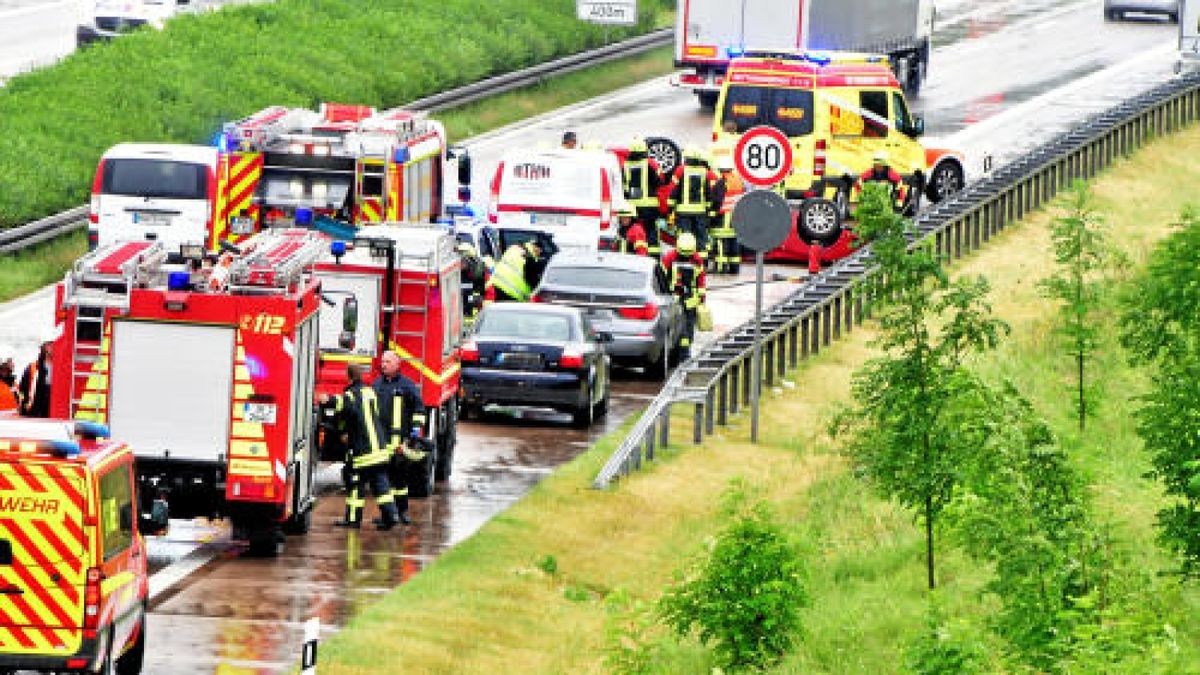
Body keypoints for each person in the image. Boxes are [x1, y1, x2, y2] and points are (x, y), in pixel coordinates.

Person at [319, 364, 401, 530]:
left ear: (348, 377)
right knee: (381, 485)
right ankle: (391, 515)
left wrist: (327, 399)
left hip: (363, 451)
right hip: (379, 447)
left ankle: (353, 520)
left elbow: (341, 404)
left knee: (355, 484)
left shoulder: (351, 394)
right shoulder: (370, 392)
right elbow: (366, 415)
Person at [373, 350, 424, 526]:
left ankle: (402, 512)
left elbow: (419, 410)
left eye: (387, 362)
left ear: (397, 364)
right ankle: (387, 515)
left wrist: (415, 433)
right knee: (383, 482)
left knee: (400, 481)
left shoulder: (408, 386)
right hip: (381, 442)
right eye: (382, 362)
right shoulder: (377, 384)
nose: (383, 365)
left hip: (400, 443)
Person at [660, 232, 707, 360]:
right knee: (677, 328)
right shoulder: (669, 258)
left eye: (688, 255)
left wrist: (701, 299)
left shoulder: (697, 260)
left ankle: (684, 354)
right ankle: (680, 354)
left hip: (690, 301)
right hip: (674, 299)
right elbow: (661, 277)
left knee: (688, 329)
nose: (685, 257)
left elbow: (701, 281)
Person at [669, 148, 719, 262]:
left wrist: (670, 208)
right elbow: (708, 193)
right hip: (700, 212)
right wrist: (708, 209)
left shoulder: (680, 170)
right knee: (701, 237)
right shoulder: (704, 172)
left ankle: (684, 259)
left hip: (683, 212)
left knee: (684, 236)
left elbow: (674, 190)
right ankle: (702, 262)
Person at [622, 138, 667, 254]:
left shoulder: (625, 165)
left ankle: (635, 254)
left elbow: (623, 185)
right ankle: (653, 256)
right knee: (651, 230)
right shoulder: (649, 163)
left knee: (636, 231)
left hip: (631, 207)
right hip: (649, 206)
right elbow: (660, 180)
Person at [709, 154, 744, 273]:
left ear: (721, 170)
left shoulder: (721, 182)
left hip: (724, 218)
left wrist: (712, 213)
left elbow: (717, 200)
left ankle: (720, 268)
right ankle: (734, 269)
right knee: (734, 243)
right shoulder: (738, 181)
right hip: (737, 217)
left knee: (721, 242)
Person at [18, 338, 53, 418]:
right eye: (49, 344)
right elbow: (22, 390)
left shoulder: (62, 368)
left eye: (53, 344)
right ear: (43, 347)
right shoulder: (32, 368)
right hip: (34, 412)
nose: (52, 347)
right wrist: (24, 405)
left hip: (53, 412)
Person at [457, 242, 487, 322]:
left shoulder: (468, 264)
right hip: (475, 297)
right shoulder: (478, 263)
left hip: (470, 297)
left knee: (468, 310)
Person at [0, 347, 18, 413]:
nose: (13, 364)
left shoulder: (14, 384)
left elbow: (21, 397)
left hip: (14, 418)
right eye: (10, 361)